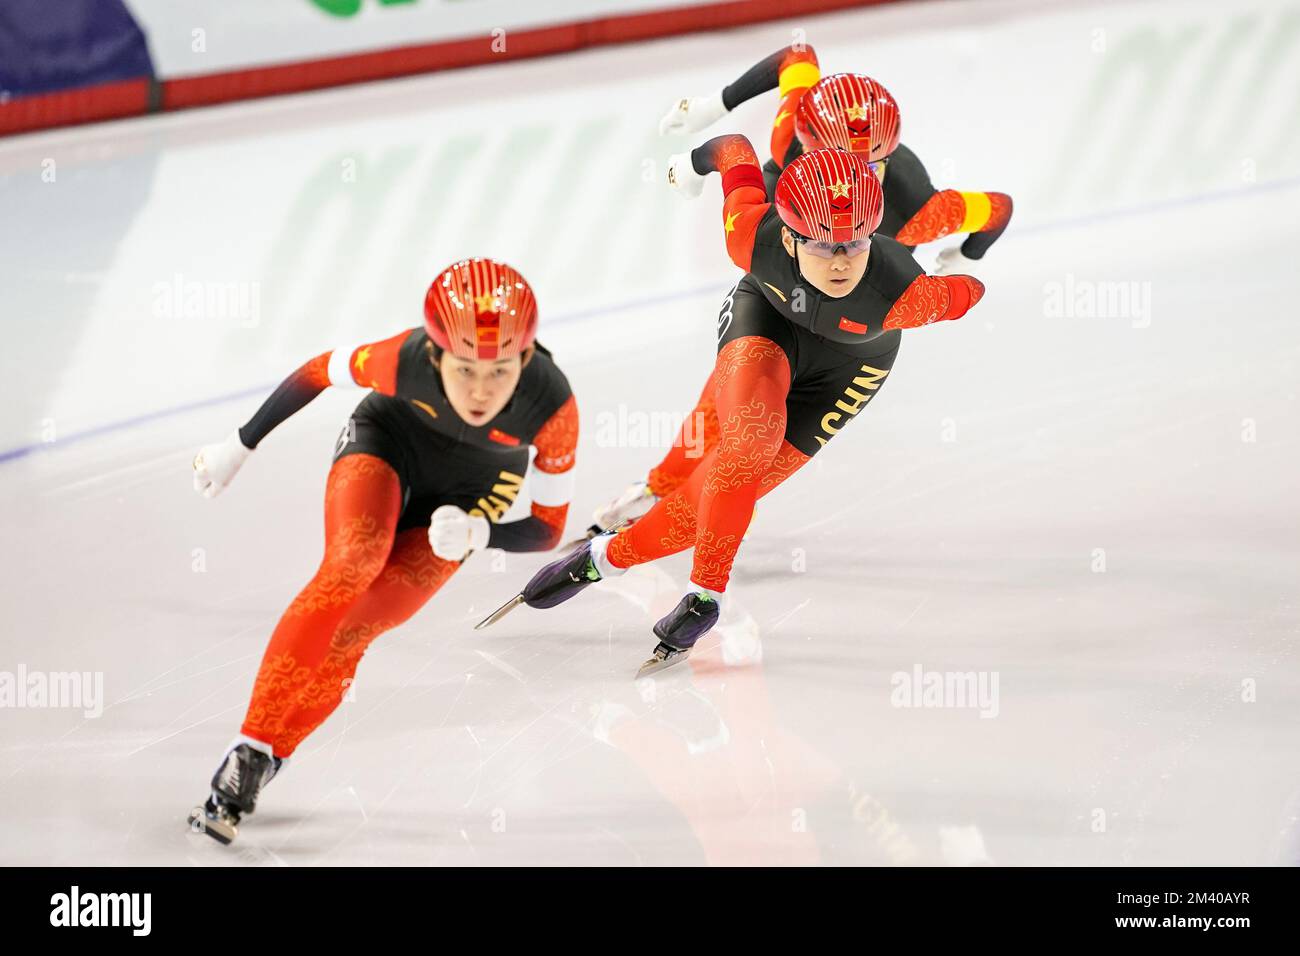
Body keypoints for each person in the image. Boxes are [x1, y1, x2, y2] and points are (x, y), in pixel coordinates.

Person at [479, 146, 983, 677]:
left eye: (855, 243)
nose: (840, 260)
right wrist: (693, 163)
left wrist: (964, 267)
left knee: (713, 501)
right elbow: (734, 151)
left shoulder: (904, 294)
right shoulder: (750, 235)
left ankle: (602, 560)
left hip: (850, 369)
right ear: (788, 235)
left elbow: (969, 292)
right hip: (768, 319)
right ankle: (705, 598)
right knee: (748, 443)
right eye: (821, 243)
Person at [187, 258, 578, 843]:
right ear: (435, 354)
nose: (480, 390)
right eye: (465, 367)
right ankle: (250, 746)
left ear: (524, 360)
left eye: (499, 371)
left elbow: (548, 530)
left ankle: (271, 758)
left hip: (472, 497)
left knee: (356, 631)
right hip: (387, 443)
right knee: (352, 565)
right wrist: (239, 444)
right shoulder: (401, 359)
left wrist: (481, 533)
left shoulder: (552, 407)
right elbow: (318, 371)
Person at [588, 45, 1013, 536]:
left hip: (847, 330)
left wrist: (966, 257)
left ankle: (673, 515)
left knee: (754, 445)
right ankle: (662, 489)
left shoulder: (920, 209)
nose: (841, 188)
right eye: (826, 163)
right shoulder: (791, 130)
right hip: (779, 284)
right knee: (724, 404)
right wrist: (715, 106)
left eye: (866, 169)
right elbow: (797, 55)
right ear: (806, 144)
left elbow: (997, 207)